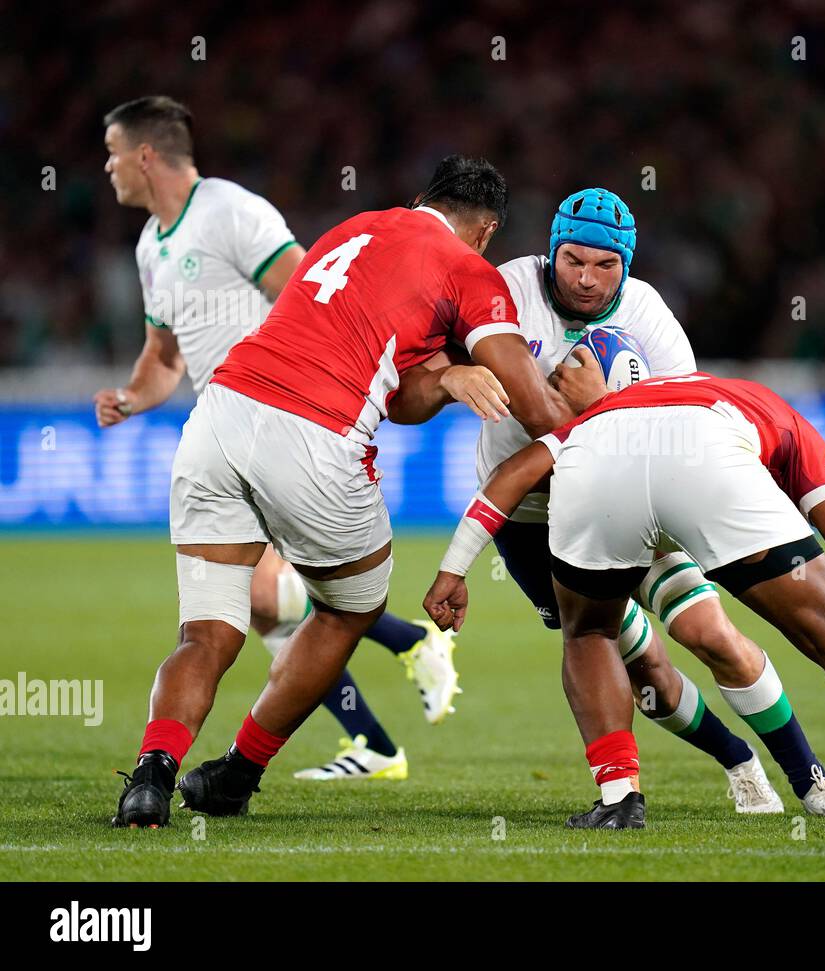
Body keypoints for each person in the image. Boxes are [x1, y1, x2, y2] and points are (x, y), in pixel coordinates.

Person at [112, 155, 593, 827]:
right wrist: (607, 414)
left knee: (206, 632)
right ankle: (238, 772)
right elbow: (537, 408)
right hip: (315, 439)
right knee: (347, 609)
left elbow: (396, 390)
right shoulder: (468, 270)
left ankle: (151, 776)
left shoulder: (354, 229)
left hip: (220, 414)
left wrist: (450, 377)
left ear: (420, 198)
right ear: (485, 232)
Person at [425, 372, 825, 832]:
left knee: (589, 635)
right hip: (711, 456)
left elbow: (507, 479)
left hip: (596, 469)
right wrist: (806, 601)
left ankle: (620, 800)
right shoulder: (765, 404)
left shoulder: (589, 418)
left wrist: (453, 570)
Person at [460, 187, 825, 818]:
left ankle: (812, 782)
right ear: (549, 254)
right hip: (532, 521)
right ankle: (733, 758)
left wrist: (593, 408)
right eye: (573, 261)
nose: (588, 280)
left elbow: (677, 422)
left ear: (627, 265)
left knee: (711, 634)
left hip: (624, 502)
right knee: (640, 662)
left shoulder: (649, 313)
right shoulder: (507, 290)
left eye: (606, 266)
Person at [97, 95, 458, 786]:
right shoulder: (152, 246)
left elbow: (313, 292)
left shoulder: (231, 211)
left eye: (112, 151)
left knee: (268, 604)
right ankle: (377, 739)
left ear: (145, 154)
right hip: (226, 427)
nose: (106, 166)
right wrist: (134, 395)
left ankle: (411, 643)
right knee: (270, 612)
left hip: (284, 422)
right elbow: (164, 352)